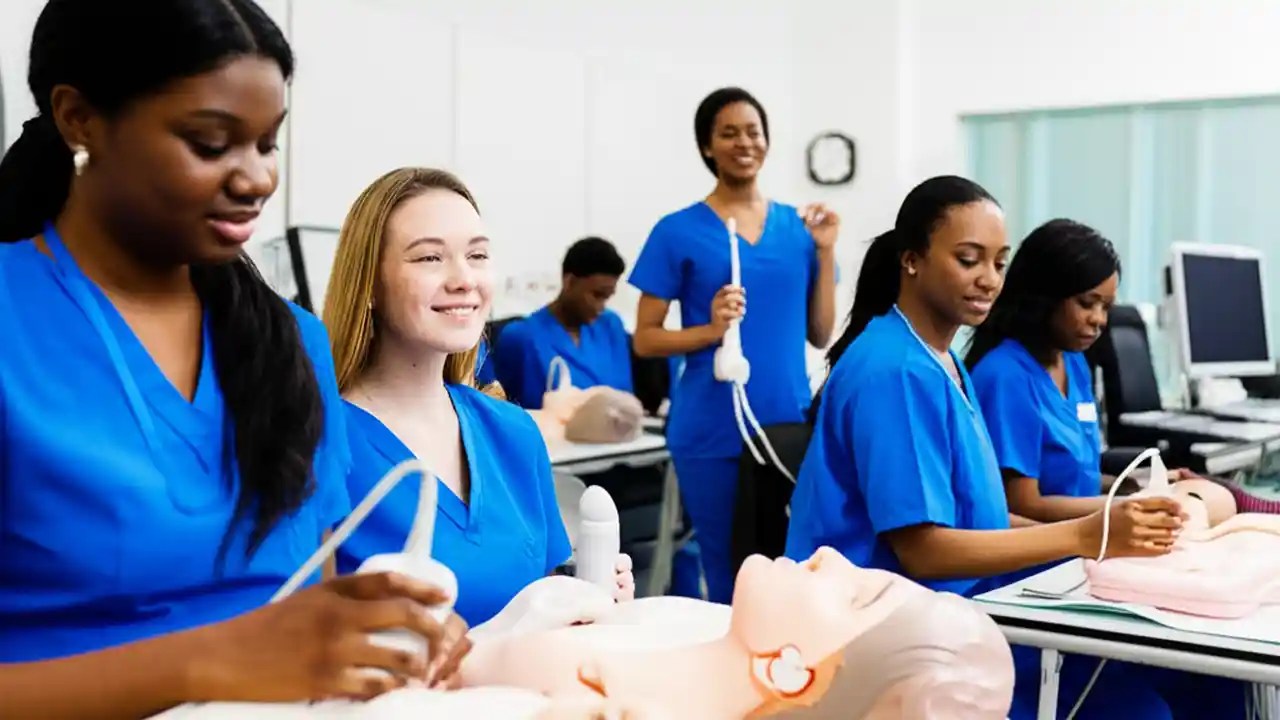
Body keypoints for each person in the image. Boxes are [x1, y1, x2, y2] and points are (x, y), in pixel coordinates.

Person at [0, 2, 465, 717]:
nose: (256, 179)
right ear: (78, 119)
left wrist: (370, 637)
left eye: (266, 144)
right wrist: (209, 662)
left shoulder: (292, 343)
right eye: (210, 143)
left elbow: (311, 585)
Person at [784, 175, 1189, 720]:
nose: (989, 280)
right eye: (969, 259)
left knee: (1164, 680)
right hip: (884, 638)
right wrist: (1084, 534)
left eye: (999, 263)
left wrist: (1102, 526)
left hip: (946, 612)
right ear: (912, 260)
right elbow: (923, 550)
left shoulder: (941, 359)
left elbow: (985, 517)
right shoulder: (896, 370)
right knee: (1144, 707)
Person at [150, 547, 1018, 720]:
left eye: (857, 592)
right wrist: (555, 603)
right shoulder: (687, 622)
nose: (830, 552)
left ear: (793, 673)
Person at [323, 168, 633, 628]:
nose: (463, 279)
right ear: (368, 284)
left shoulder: (511, 432)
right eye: (429, 258)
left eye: (478, 255)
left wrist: (587, 601)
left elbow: (542, 602)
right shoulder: (320, 444)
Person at [628, 86, 840, 603]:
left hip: (786, 424)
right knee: (729, 574)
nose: (744, 142)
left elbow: (820, 333)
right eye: (728, 133)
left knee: (789, 568)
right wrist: (711, 329)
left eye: (753, 131)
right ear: (707, 147)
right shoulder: (677, 231)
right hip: (711, 430)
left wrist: (828, 252)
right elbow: (647, 340)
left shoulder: (800, 230)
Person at [492, 236, 633, 410]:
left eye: (607, 297)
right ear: (570, 282)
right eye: (596, 295)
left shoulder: (610, 326)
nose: (600, 307)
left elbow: (624, 398)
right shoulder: (522, 338)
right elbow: (500, 409)